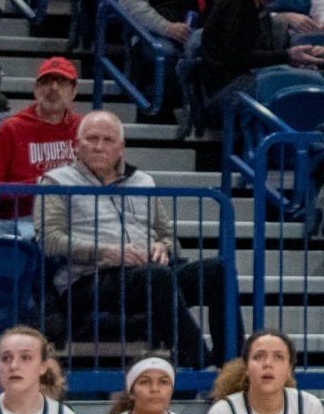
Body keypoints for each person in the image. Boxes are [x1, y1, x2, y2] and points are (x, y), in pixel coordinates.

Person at [38, 111, 231, 366]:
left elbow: (169, 236)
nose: (99, 146)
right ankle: (199, 365)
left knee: (218, 271)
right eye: (91, 139)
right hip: (88, 281)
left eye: (108, 140)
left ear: (121, 147)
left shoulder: (144, 182)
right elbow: (49, 239)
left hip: (144, 275)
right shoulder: (55, 181)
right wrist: (105, 251)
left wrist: (164, 247)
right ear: (77, 145)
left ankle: (234, 367)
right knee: (157, 277)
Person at [196, 0, 310, 123]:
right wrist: (287, 55)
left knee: (312, 80)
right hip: (226, 88)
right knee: (310, 84)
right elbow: (237, 57)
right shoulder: (239, 2)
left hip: (245, 80)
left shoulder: (256, 5)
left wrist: (289, 60)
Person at [0, 58, 84, 211]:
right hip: (24, 217)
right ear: (36, 89)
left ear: (74, 91)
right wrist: (39, 186)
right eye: (46, 81)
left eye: (62, 81)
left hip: (76, 215)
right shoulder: (11, 128)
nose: (54, 87)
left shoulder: (85, 128)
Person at [201, 332, 324, 414]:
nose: (268, 364)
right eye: (258, 356)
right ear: (246, 367)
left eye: (278, 357)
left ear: (289, 369)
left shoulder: (308, 407)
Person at [96, 356, 205, 414]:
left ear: (171, 390)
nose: (155, 389)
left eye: (163, 382)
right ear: (131, 392)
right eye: (145, 382)